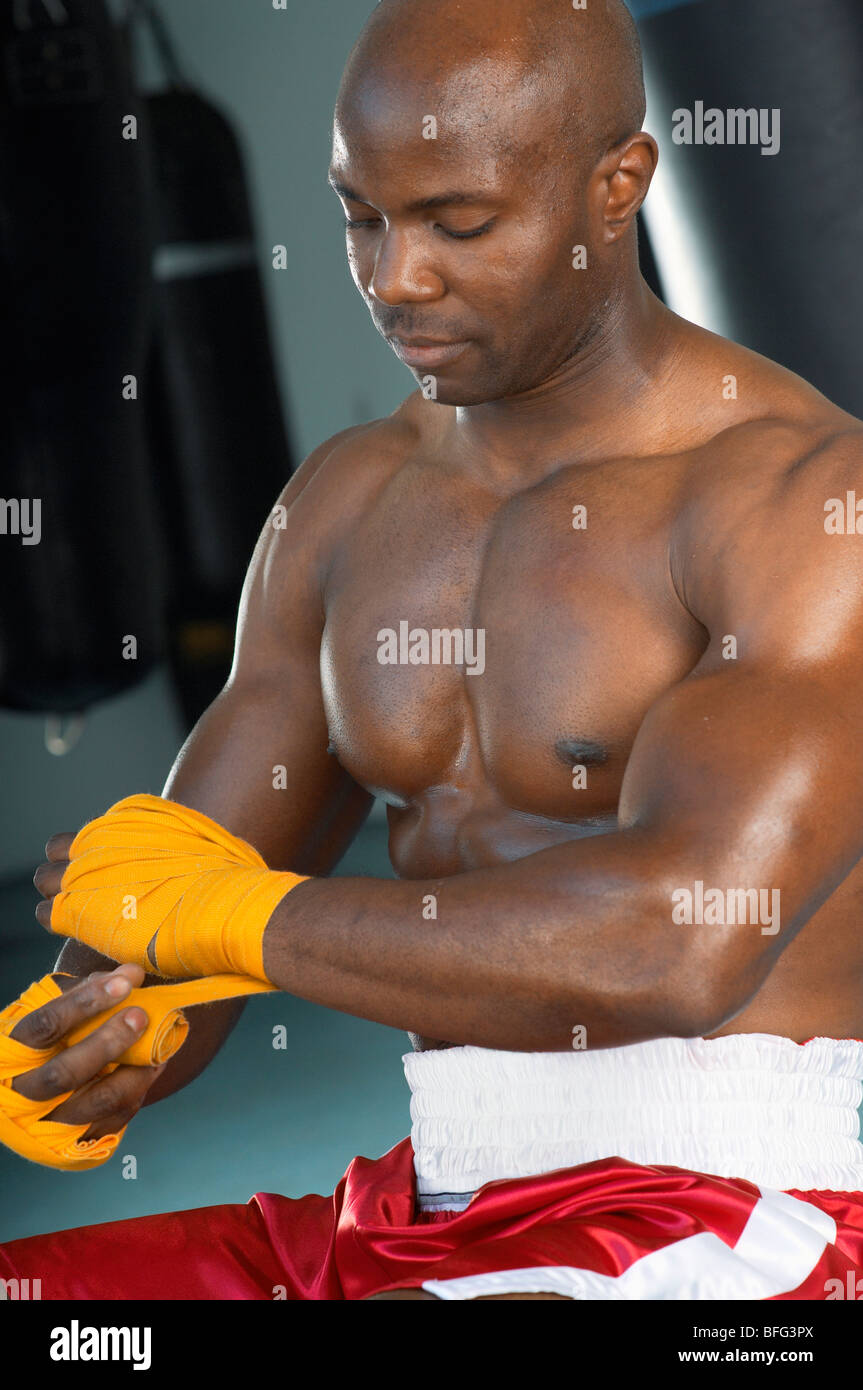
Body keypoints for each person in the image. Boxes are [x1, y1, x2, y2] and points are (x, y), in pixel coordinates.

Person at [2, 0, 863, 1300]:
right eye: (362, 216)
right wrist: (95, 1035)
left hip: (735, 1214)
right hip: (420, 1212)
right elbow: (175, 926)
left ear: (617, 184)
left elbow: (682, 939)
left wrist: (236, 920)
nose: (396, 277)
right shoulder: (344, 507)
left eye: (460, 224)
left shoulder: (802, 496)